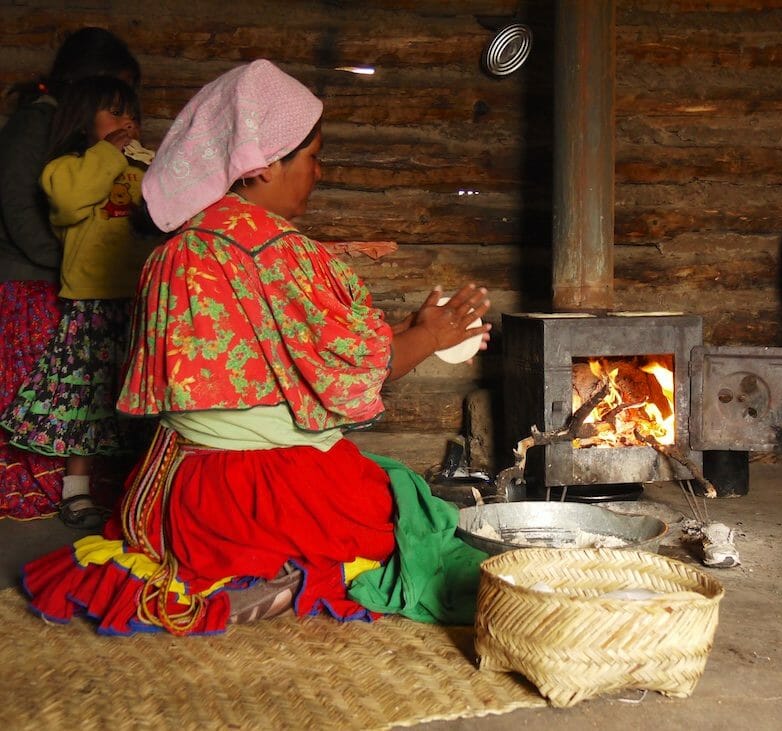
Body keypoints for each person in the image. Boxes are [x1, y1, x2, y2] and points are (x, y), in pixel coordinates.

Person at [22, 59, 493, 636]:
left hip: (177, 493)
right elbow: (355, 376)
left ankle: (258, 570)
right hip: (262, 492)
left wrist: (417, 330)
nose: (319, 172)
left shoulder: (179, 248)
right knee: (401, 510)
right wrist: (431, 335)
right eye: (313, 156)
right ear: (265, 165)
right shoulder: (279, 251)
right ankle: (285, 573)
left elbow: (284, 359)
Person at [1, 76, 155, 530]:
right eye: (113, 112)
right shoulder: (65, 168)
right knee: (83, 399)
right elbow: (68, 203)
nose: (127, 122)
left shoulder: (146, 166)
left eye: (133, 114)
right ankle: (76, 491)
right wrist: (108, 152)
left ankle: (140, 487)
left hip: (139, 300)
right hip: (90, 304)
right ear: (83, 122)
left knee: (133, 395)